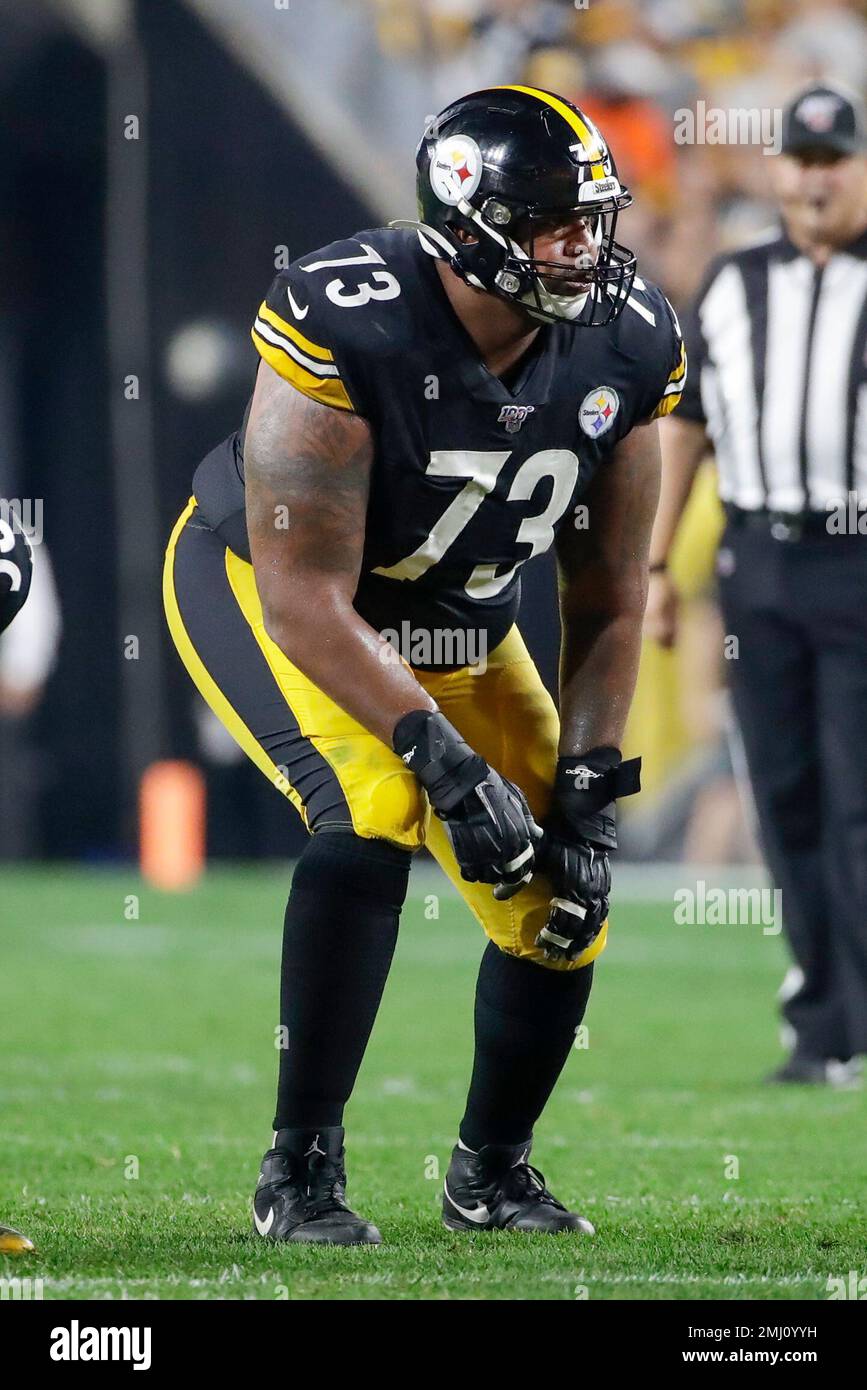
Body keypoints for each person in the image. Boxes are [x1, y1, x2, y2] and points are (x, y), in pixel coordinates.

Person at [163, 85, 686, 1243]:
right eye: (553, 222)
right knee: (374, 804)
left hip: (459, 617)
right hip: (272, 590)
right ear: (468, 225)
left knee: (564, 892)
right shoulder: (348, 314)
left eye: (592, 219)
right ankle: (298, 1170)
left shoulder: (627, 340)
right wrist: (446, 763)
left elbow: (607, 598)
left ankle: (491, 1173)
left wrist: (590, 783)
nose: (582, 248)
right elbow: (306, 595)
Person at [645, 81, 867, 1087]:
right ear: (777, 169)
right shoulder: (732, 286)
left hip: (858, 556)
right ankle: (822, 1020)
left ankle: (855, 1018)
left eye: (835, 160)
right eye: (803, 159)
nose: (816, 177)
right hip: (760, 560)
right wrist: (652, 565)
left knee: (858, 792)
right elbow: (684, 429)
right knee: (784, 794)